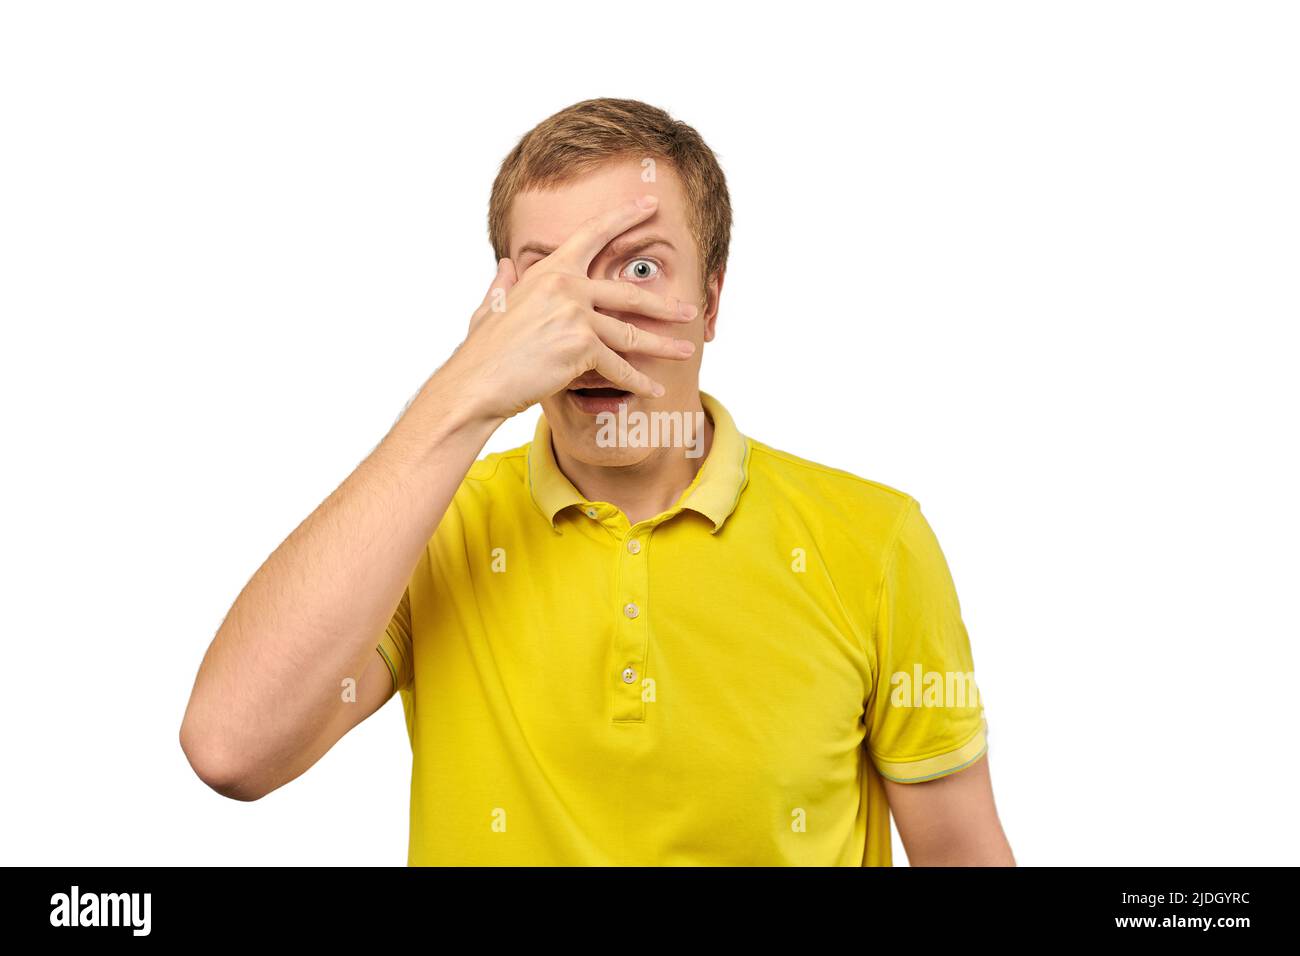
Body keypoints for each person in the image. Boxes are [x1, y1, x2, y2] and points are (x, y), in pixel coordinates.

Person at [180, 97, 1014, 866]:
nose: (589, 319)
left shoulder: (875, 541)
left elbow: (961, 854)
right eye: (547, 279)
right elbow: (231, 751)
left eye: (641, 270)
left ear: (711, 302)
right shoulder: (433, 525)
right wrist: (464, 394)